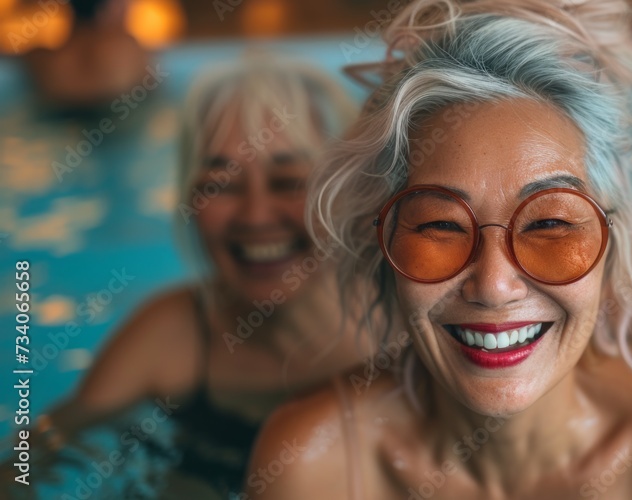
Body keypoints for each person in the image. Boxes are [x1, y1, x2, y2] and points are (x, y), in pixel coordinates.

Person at [246, 1, 632, 498]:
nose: (492, 284)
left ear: (611, 244)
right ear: (383, 243)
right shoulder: (311, 464)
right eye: (440, 225)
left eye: (549, 224)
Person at [9, 55, 370, 499]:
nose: (255, 215)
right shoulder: (173, 335)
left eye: (288, 180)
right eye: (220, 184)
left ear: (353, 194)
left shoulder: (412, 343)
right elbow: (30, 462)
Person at [23, 0, 152, 112]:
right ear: (108, 8)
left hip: (58, 117)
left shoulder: (40, 60)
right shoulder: (129, 52)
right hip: (114, 122)